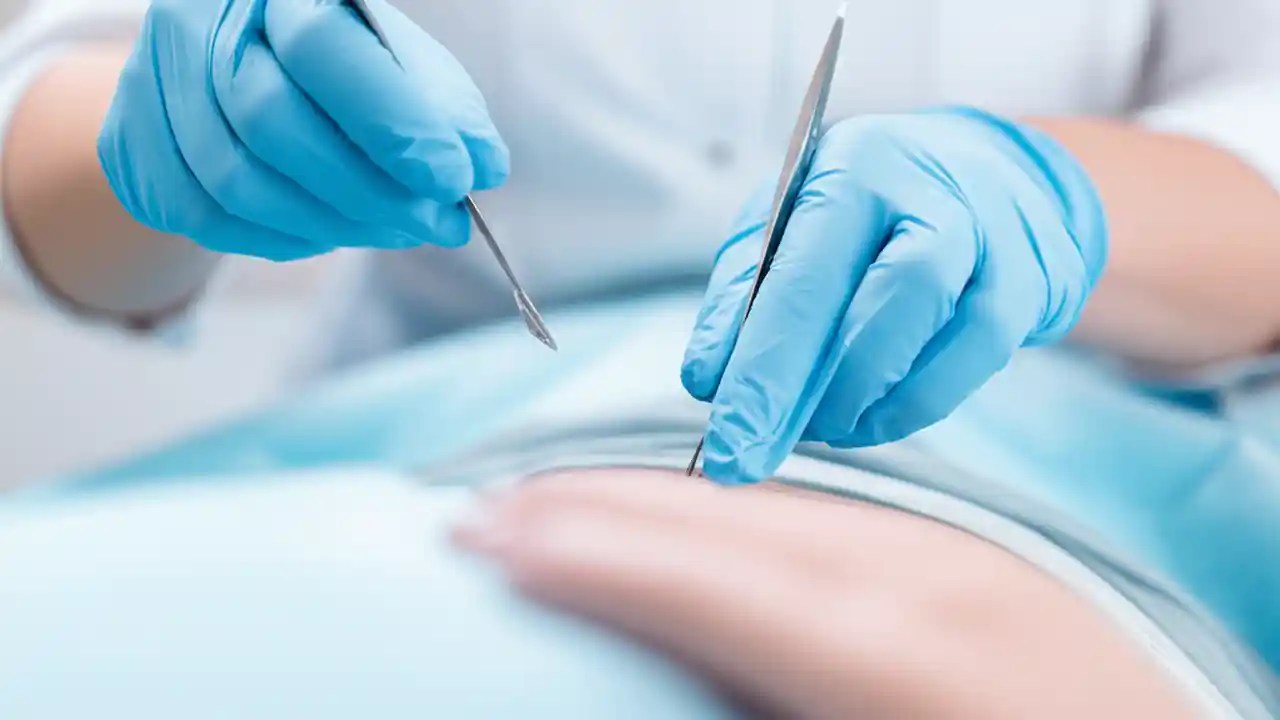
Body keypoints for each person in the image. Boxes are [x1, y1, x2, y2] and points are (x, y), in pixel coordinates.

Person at [1, 0, 1278, 487]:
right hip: (413, 447)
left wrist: (1054, 201)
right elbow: (47, 116)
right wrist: (177, 140)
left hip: (1045, 459)